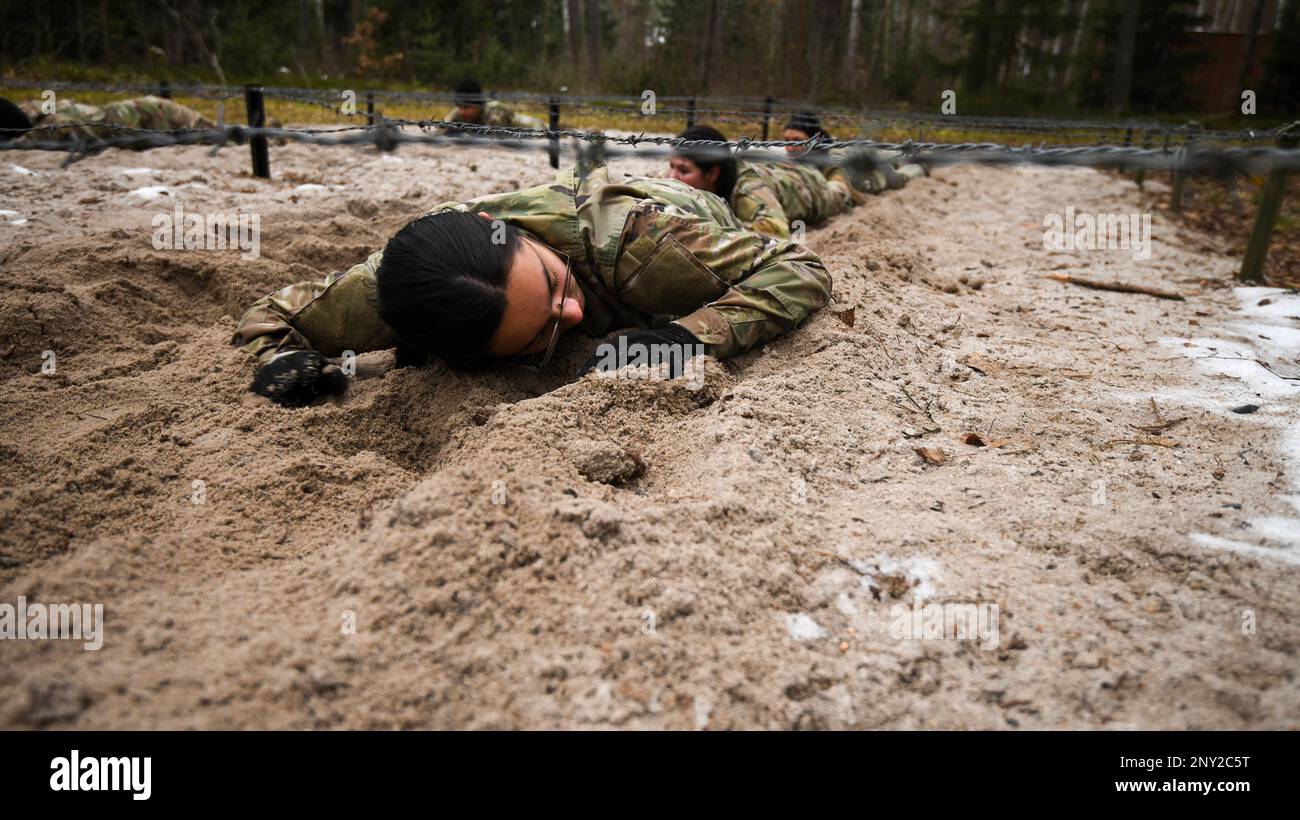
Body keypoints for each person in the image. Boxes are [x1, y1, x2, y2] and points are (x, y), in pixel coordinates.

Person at [233, 160, 831, 406]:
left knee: (829, 193)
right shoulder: (394, 289)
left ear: (496, 230)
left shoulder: (644, 247)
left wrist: (686, 337)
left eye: (554, 284)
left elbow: (800, 267)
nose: (570, 314)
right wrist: (285, 367)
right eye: (540, 333)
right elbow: (268, 318)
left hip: (683, 212)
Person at [666, 124, 853, 239]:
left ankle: (838, 153)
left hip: (816, 186)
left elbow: (776, 230)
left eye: (683, 170)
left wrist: (712, 229)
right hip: (780, 171)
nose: (672, 176)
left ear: (713, 173)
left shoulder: (747, 188)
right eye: (671, 166)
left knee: (845, 183)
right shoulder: (683, 174)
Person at [780, 110, 925, 194]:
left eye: (797, 141)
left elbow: (838, 190)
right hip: (858, 151)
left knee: (899, 179)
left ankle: (922, 163)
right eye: (787, 140)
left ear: (814, 140)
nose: (790, 147)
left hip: (873, 168)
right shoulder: (808, 153)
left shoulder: (833, 160)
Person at [0, 94, 213, 144]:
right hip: (138, 113)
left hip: (144, 115)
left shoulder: (52, 124)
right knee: (213, 133)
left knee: (215, 135)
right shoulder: (42, 112)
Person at [442, 79, 543, 130]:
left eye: (466, 107)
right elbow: (439, 130)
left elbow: (494, 143)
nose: (462, 112)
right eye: (459, 107)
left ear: (478, 105)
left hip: (537, 129)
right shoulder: (459, 113)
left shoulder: (494, 112)